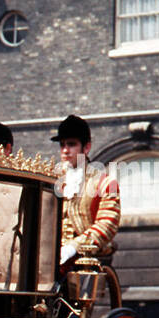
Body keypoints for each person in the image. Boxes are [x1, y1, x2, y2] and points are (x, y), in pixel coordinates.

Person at [52, 113, 119, 266]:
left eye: (71, 144)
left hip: (88, 258)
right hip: (52, 256)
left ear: (86, 147)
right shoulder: (51, 179)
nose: (65, 151)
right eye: (62, 145)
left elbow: (106, 225)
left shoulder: (106, 183)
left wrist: (73, 247)